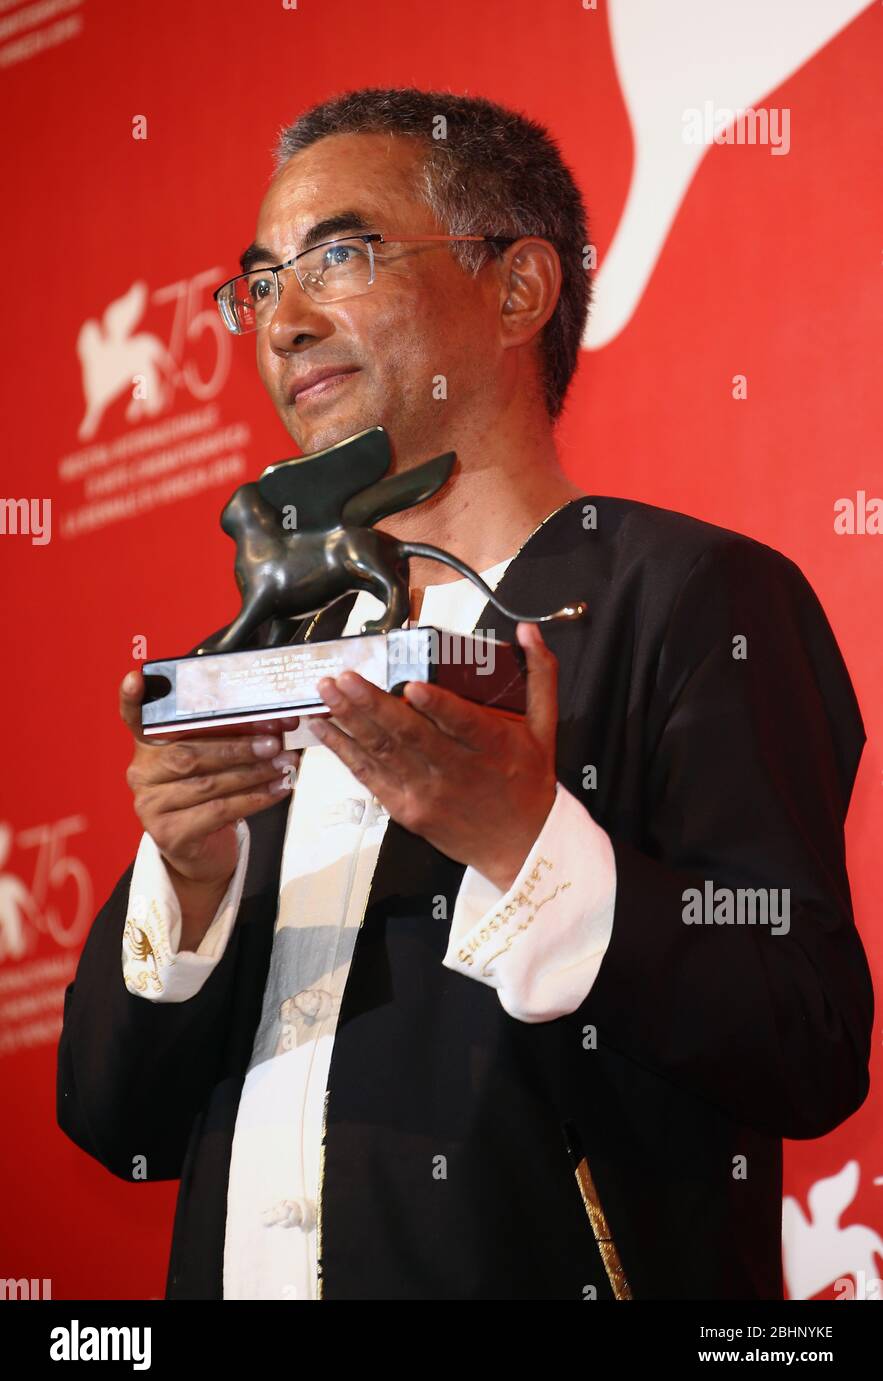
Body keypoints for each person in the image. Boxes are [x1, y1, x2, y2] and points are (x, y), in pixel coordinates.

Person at [57, 87, 874, 1301]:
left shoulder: (692, 598)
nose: (279, 320)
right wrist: (190, 881)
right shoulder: (254, 666)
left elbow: (805, 1041)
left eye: (337, 254)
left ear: (516, 289)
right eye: (260, 280)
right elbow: (112, 1122)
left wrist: (526, 843)